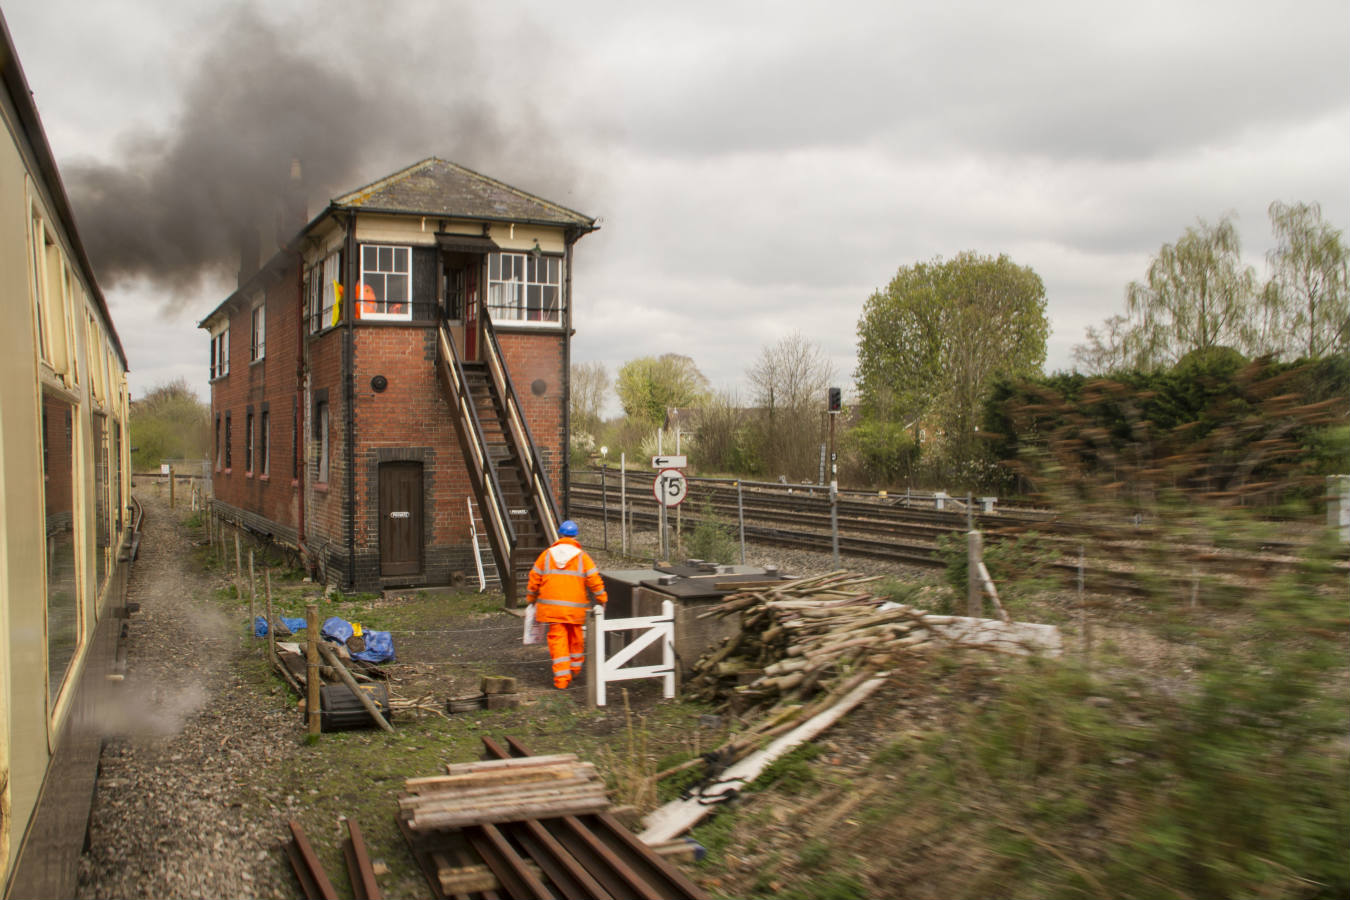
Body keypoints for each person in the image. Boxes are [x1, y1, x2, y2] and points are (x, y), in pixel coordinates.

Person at [526, 520, 608, 689]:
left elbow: (534, 579)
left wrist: (531, 599)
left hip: (552, 610)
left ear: (560, 535)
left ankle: (562, 679)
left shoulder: (546, 555)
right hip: (576, 610)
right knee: (576, 638)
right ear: (575, 536)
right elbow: (594, 580)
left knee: (558, 641)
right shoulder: (582, 557)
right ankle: (575, 669)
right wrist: (602, 599)